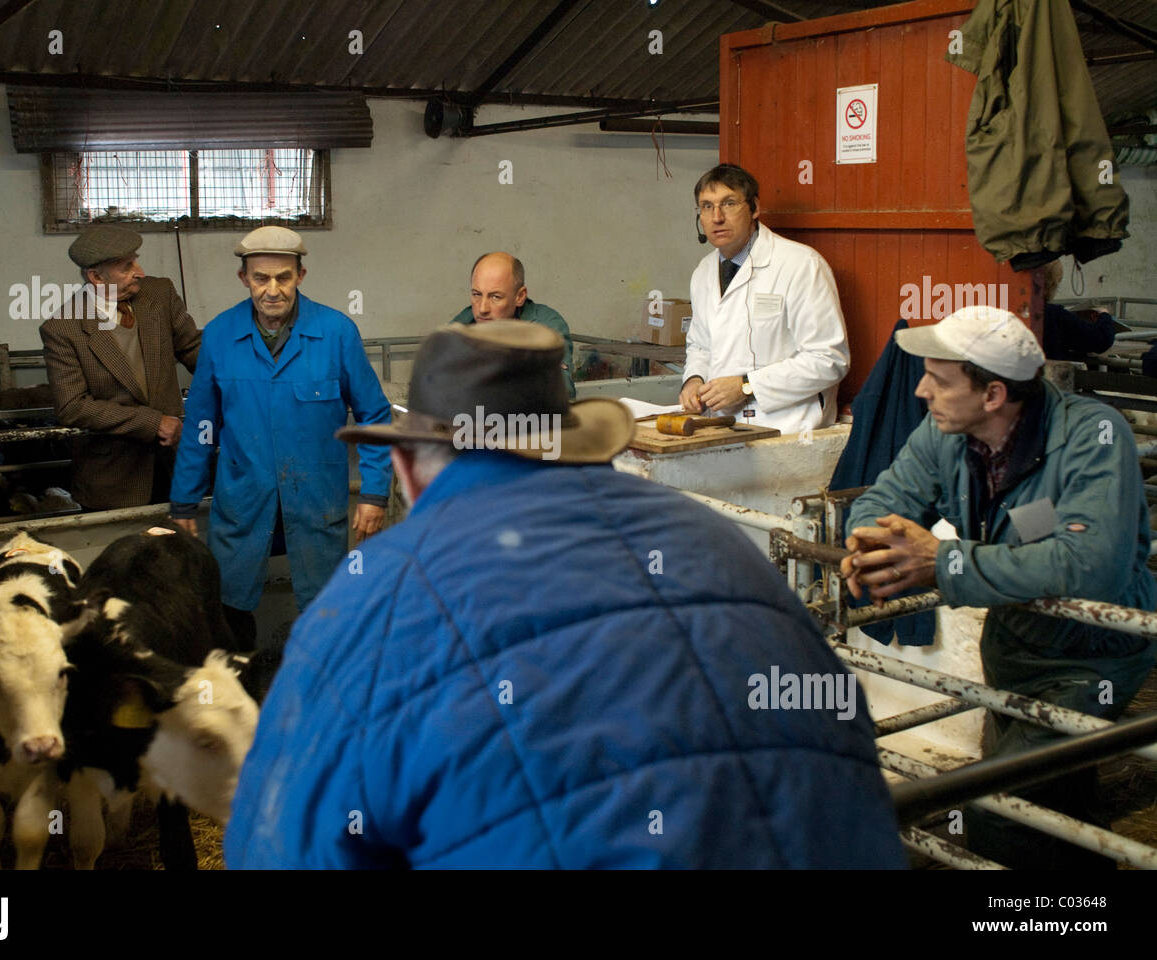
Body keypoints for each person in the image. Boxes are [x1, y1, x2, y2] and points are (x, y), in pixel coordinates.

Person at [225, 320, 905, 869]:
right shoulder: (716, 539)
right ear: (574, 443)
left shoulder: (372, 598)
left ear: (405, 466)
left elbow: (279, 844)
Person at [839, 304, 1156, 869]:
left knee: (1002, 807)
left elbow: (1091, 568)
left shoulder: (1092, 436)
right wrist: (873, 545)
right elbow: (882, 499)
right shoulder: (946, 434)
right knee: (1059, 801)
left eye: (938, 379)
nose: (921, 392)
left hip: (1092, 655)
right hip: (1012, 642)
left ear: (991, 396)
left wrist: (943, 564)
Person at [170, 227, 392, 646]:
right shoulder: (219, 335)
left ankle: (319, 696)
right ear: (244, 279)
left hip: (316, 501)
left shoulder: (336, 333)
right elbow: (201, 426)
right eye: (260, 278)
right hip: (243, 502)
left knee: (325, 611)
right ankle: (242, 696)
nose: (273, 290)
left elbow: (374, 416)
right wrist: (183, 501)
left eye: (283, 278)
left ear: (301, 276)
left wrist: (374, 493)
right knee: (230, 611)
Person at [40, 224, 202, 510]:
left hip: (174, 466)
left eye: (136, 260)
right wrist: (152, 422)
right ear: (96, 277)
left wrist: (243, 381)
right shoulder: (63, 328)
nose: (139, 271)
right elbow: (72, 406)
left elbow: (193, 349)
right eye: (127, 266)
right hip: (113, 481)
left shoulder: (159, 294)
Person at [679, 163, 849, 435]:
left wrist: (747, 386)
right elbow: (699, 345)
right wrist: (693, 380)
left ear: (754, 208)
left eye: (729, 203)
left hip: (789, 427)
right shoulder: (703, 272)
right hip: (721, 425)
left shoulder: (801, 265)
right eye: (707, 206)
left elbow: (829, 359)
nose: (717, 216)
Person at [451, 252, 575, 398]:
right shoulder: (463, 324)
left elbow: (561, 391)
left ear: (520, 296)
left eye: (495, 297)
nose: (482, 308)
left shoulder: (546, 327)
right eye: (477, 294)